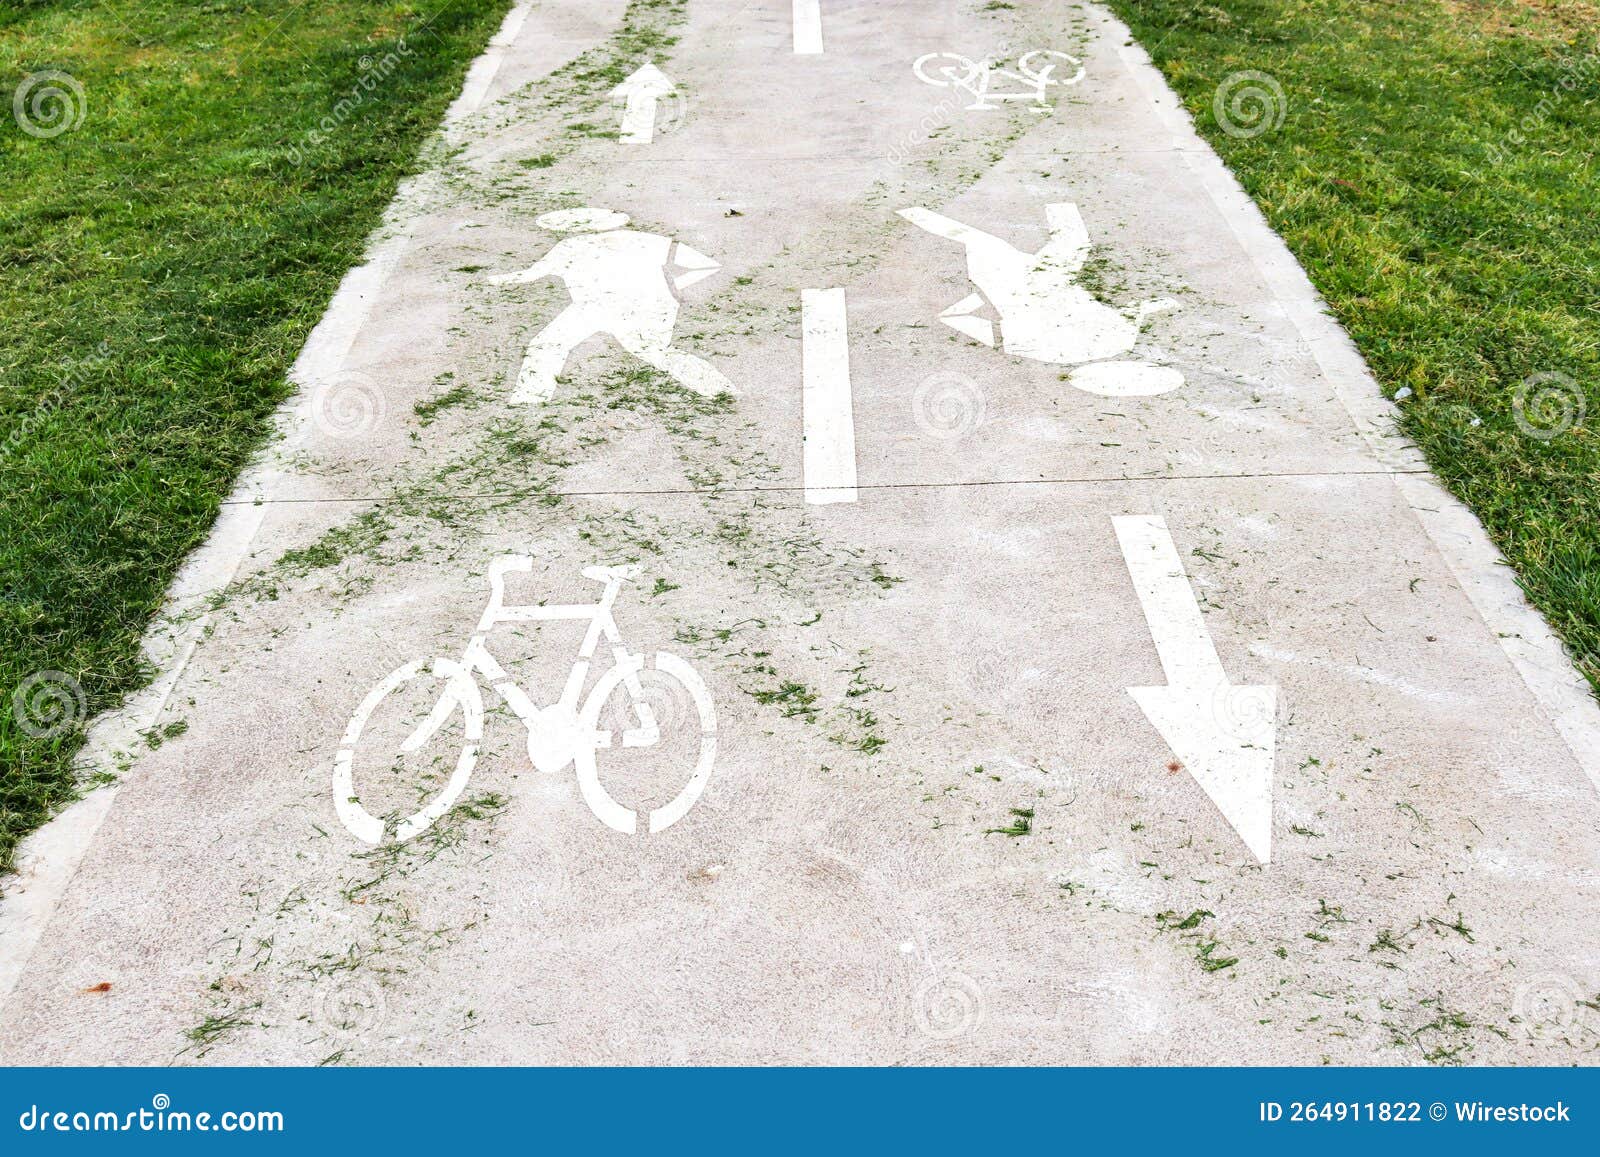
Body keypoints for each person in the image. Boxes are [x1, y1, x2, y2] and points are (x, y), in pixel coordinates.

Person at [898, 202, 1182, 396]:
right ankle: (912, 211)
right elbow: (1132, 313)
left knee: (992, 243)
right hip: (1030, 284)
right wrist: (976, 300)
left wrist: (977, 299)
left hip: (1019, 283)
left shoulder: (1114, 341)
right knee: (1064, 242)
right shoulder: (1114, 341)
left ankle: (913, 212)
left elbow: (1132, 314)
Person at [488, 208, 734, 404]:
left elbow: (530, 275)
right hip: (633, 304)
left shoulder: (568, 247)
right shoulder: (645, 240)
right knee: (654, 351)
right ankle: (720, 389)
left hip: (605, 306)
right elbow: (707, 266)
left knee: (548, 344)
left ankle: (529, 398)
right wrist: (675, 287)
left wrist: (497, 279)